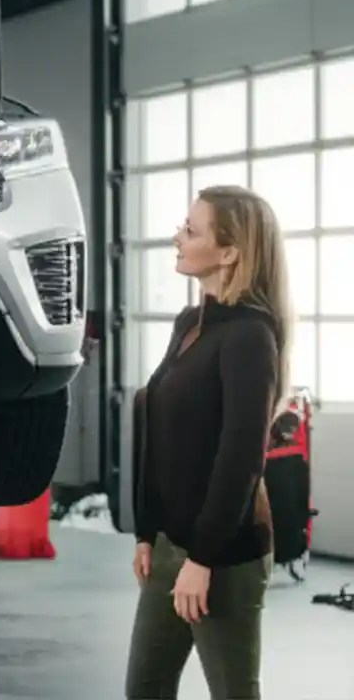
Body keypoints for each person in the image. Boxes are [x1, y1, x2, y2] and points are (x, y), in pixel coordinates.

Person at [125, 185, 293, 700]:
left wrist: (203, 559)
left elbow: (240, 457)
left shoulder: (249, 335)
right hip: (172, 544)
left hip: (221, 556)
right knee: (145, 690)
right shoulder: (189, 325)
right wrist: (146, 529)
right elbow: (163, 431)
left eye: (191, 229)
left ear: (229, 252)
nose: (177, 236)